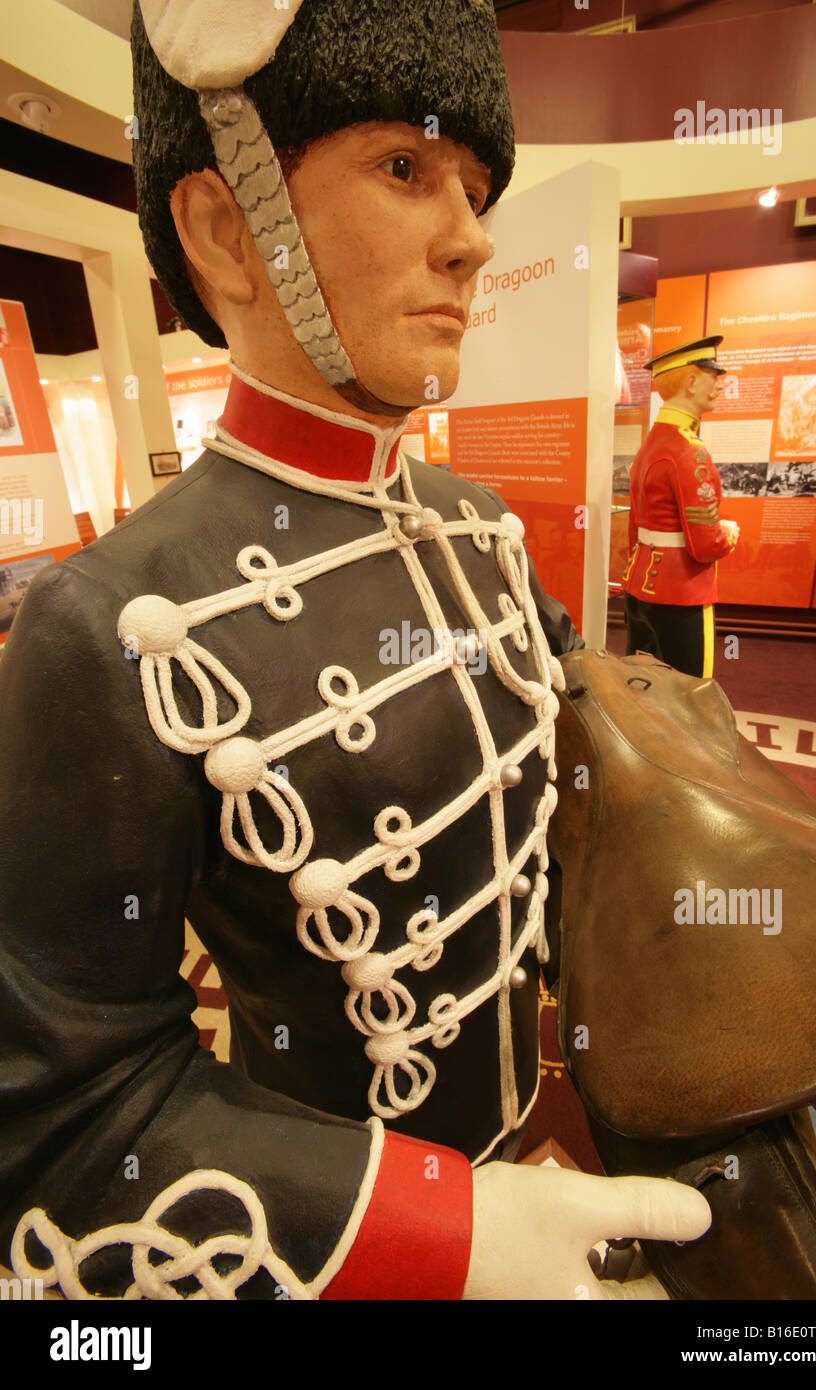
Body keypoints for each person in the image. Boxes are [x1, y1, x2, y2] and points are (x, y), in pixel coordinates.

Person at [0, 0, 709, 1300]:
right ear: (226, 231)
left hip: (550, 1160)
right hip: (337, 1229)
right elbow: (66, 1115)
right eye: (403, 168)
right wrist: (446, 1231)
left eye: (477, 185)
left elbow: (580, 816)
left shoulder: (484, 531)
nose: (471, 235)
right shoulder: (107, 622)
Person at [623, 337, 739, 678]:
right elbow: (706, 544)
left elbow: (636, 524)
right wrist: (728, 534)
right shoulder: (689, 452)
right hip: (680, 592)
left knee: (641, 684)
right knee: (690, 693)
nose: (719, 385)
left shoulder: (651, 443)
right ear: (690, 382)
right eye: (711, 376)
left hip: (639, 582)